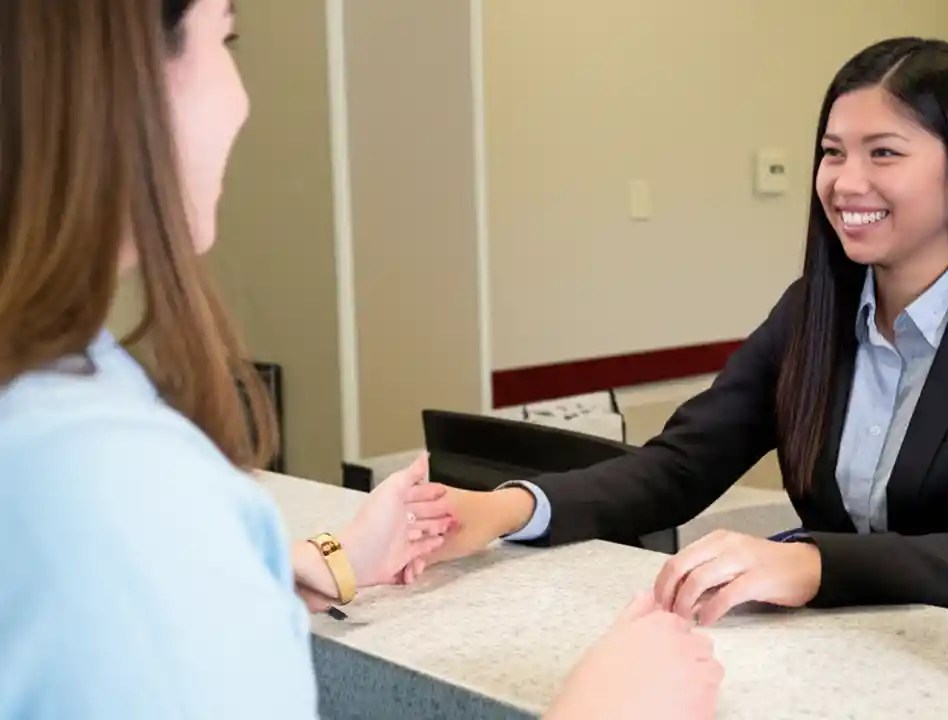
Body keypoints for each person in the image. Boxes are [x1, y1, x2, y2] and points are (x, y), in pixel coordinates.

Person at [0, 1, 719, 718]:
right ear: (119, 82)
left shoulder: (56, 419)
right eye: (229, 37)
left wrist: (302, 563)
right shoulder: (107, 481)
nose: (244, 103)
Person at [427, 37, 948, 621]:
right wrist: (508, 510)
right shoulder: (809, 313)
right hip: (830, 661)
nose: (846, 182)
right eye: (833, 152)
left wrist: (812, 564)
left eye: (884, 153)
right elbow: (681, 465)